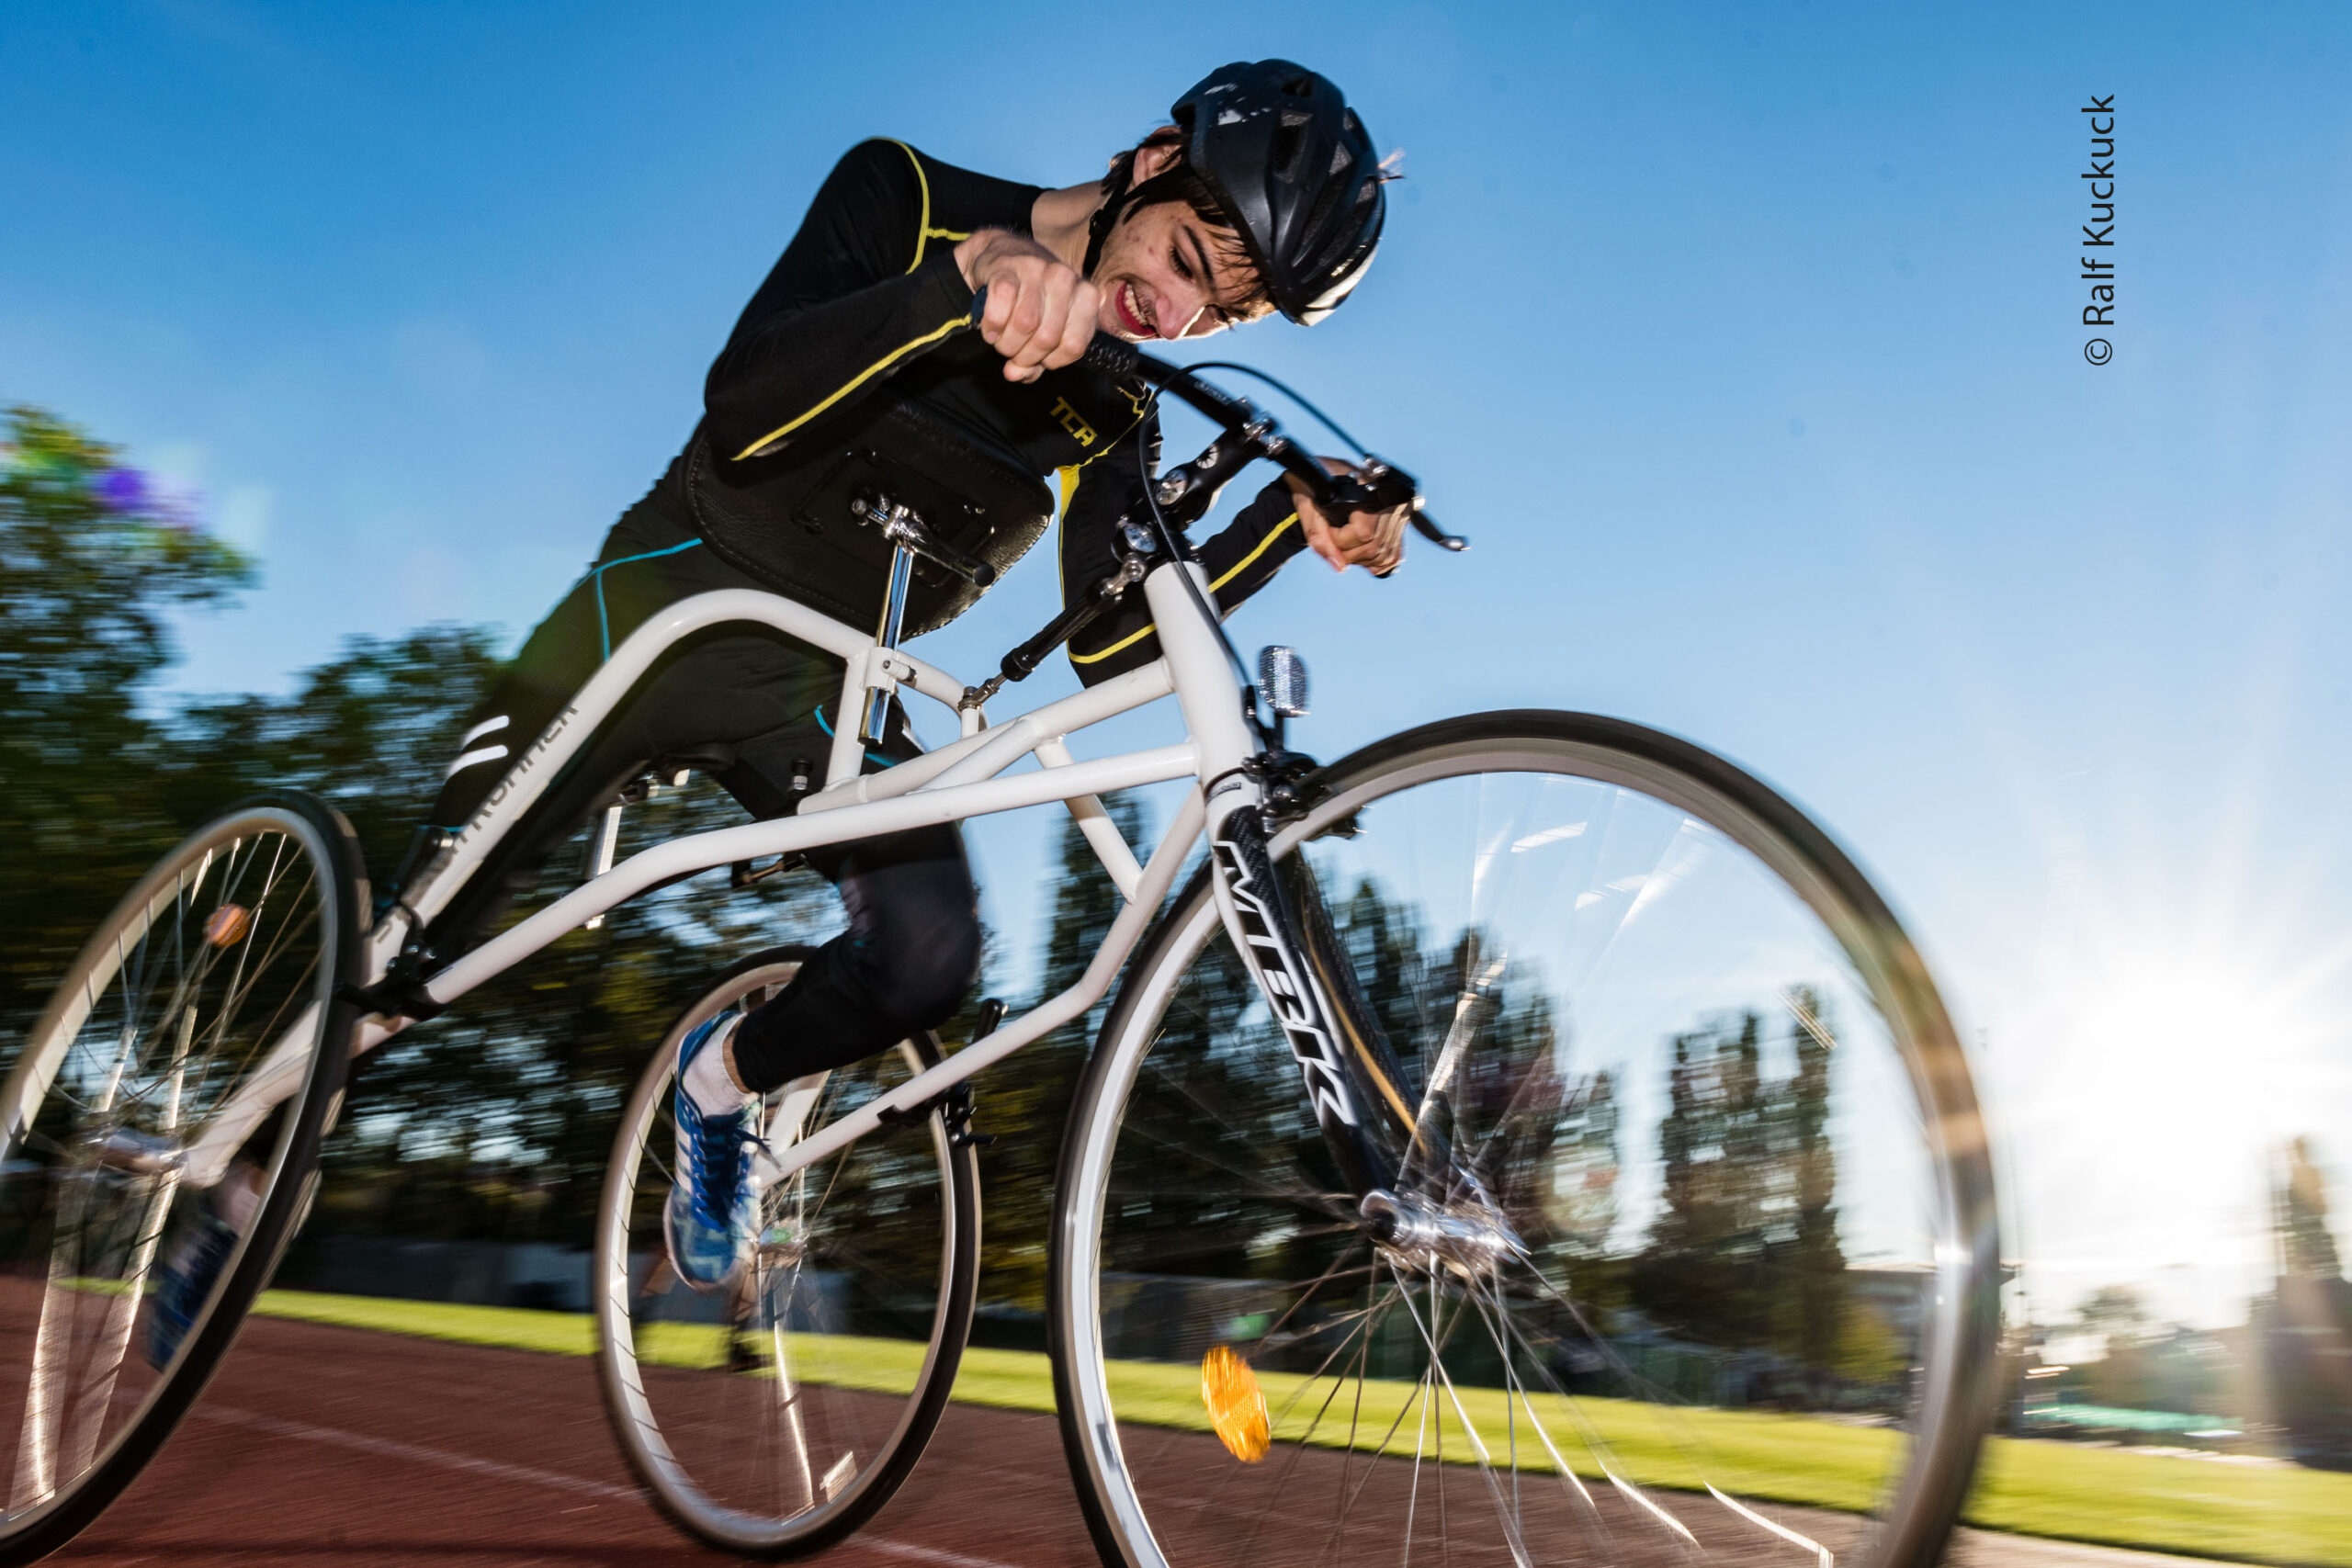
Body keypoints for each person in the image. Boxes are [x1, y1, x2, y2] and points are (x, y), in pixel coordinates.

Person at [427, 60, 1405, 1292]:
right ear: (1151, 166)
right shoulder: (907, 197)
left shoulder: (1117, 405)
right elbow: (744, 413)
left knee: (930, 956)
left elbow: (1108, 640)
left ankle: (719, 1084)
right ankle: (237, 1174)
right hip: (658, 617)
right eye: (1185, 263)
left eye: (1219, 318)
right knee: (416, 946)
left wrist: (1287, 521)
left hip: (822, 700)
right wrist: (969, 288)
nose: (1176, 316)